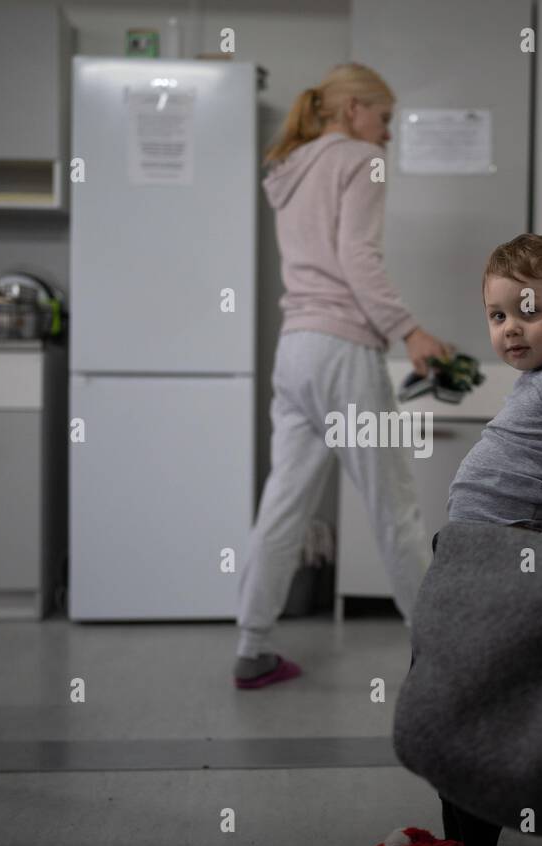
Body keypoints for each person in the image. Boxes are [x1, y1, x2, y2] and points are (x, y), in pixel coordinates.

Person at [376, 233, 542, 846]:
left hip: (509, 554)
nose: (512, 329)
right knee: (437, 690)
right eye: (498, 316)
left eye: (529, 311)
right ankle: (457, 840)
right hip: (468, 552)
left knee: (470, 698)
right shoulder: (536, 376)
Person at [233, 63, 454, 688]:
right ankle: (439, 651)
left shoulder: (290, 168)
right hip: (341, 352)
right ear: (354, 109)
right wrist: (408, 330)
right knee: (394, 507)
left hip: (295, 348)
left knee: (284, 502)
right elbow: (358, 256)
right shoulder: (360, 161)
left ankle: (251, 647)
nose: (387, 136)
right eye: (384, 120)